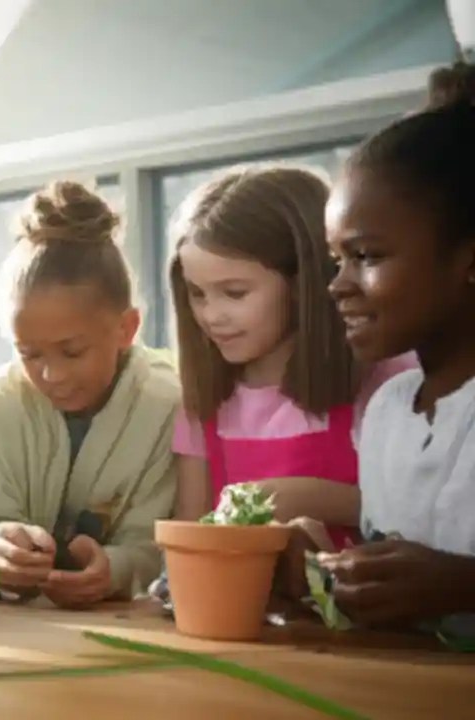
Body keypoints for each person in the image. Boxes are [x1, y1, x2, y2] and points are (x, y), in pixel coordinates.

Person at [304, 61, 475, 631]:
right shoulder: (387, 412)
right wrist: (320, 575)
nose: (338, 284)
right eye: (337, 259)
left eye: (368, 256)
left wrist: (463, 586)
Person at [0, 180, 179, 608]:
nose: (51, 374)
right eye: (29, 353)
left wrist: (114, 569)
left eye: (72, 351)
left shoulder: (167, 406)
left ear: (125, 329)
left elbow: (156, 545)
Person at [168, 165, 413, 547]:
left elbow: (416, 516)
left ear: (306, 283)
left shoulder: (386, 381)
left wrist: (299, 497)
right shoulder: (202, 403)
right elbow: (189, 537)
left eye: (234, 293)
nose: (211, 315)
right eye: (197, 294)